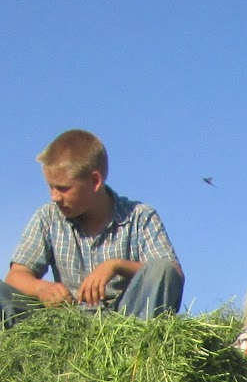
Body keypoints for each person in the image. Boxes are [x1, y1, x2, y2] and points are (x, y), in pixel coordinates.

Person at [2, 130, 183, 326]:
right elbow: (16, 276)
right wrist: (41, 289)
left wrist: (116, 266)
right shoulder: (48, 216)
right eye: (50, 187)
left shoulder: (140, 216)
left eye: (63, 188)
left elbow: (171, 273)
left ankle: (138, 352)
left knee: (161, 268)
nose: (54, 196)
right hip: (63, 323)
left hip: (125, 320)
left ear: (95, 181)